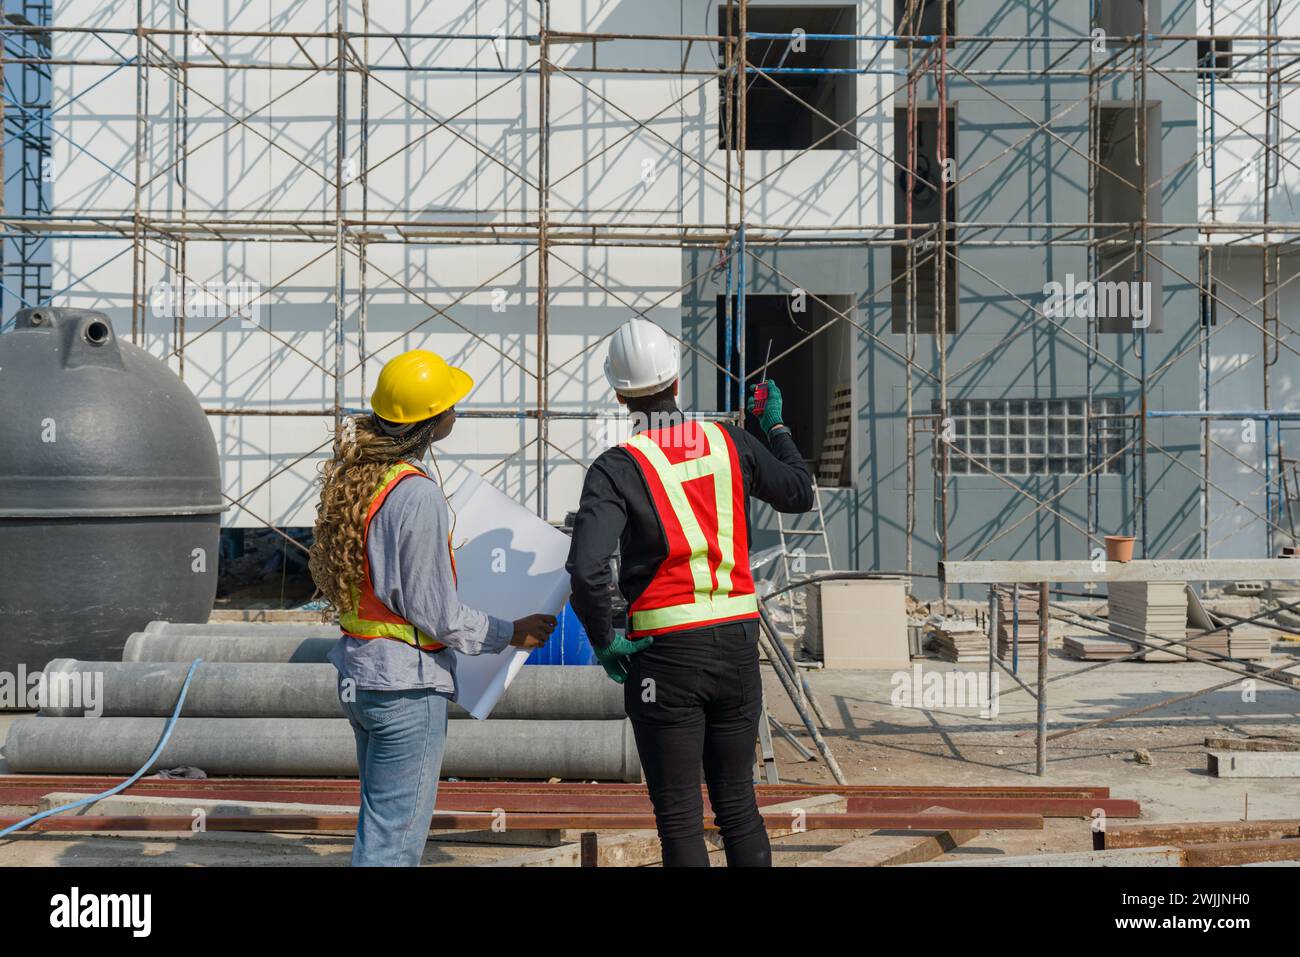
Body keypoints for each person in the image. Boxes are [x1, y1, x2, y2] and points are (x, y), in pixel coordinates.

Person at [565, 318, 814, 867]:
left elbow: (586, 570)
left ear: (618, 395)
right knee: (739, 807)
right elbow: (798, 492)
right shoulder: (731, 442)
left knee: (679, 818)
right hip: (737, 643)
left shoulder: (616, 468)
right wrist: (775, 428)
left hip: (665, 657)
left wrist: (604, 640)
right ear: (676, 381)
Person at [309, 349, 556, 867]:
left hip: (362, 676)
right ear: (432, 422)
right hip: (406, 686)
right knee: (393, 845)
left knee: (378, 826)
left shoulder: (360, 479)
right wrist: (511, 632)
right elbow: (437, 612)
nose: (456, 412)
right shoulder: (416, 494)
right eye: (450, 405)